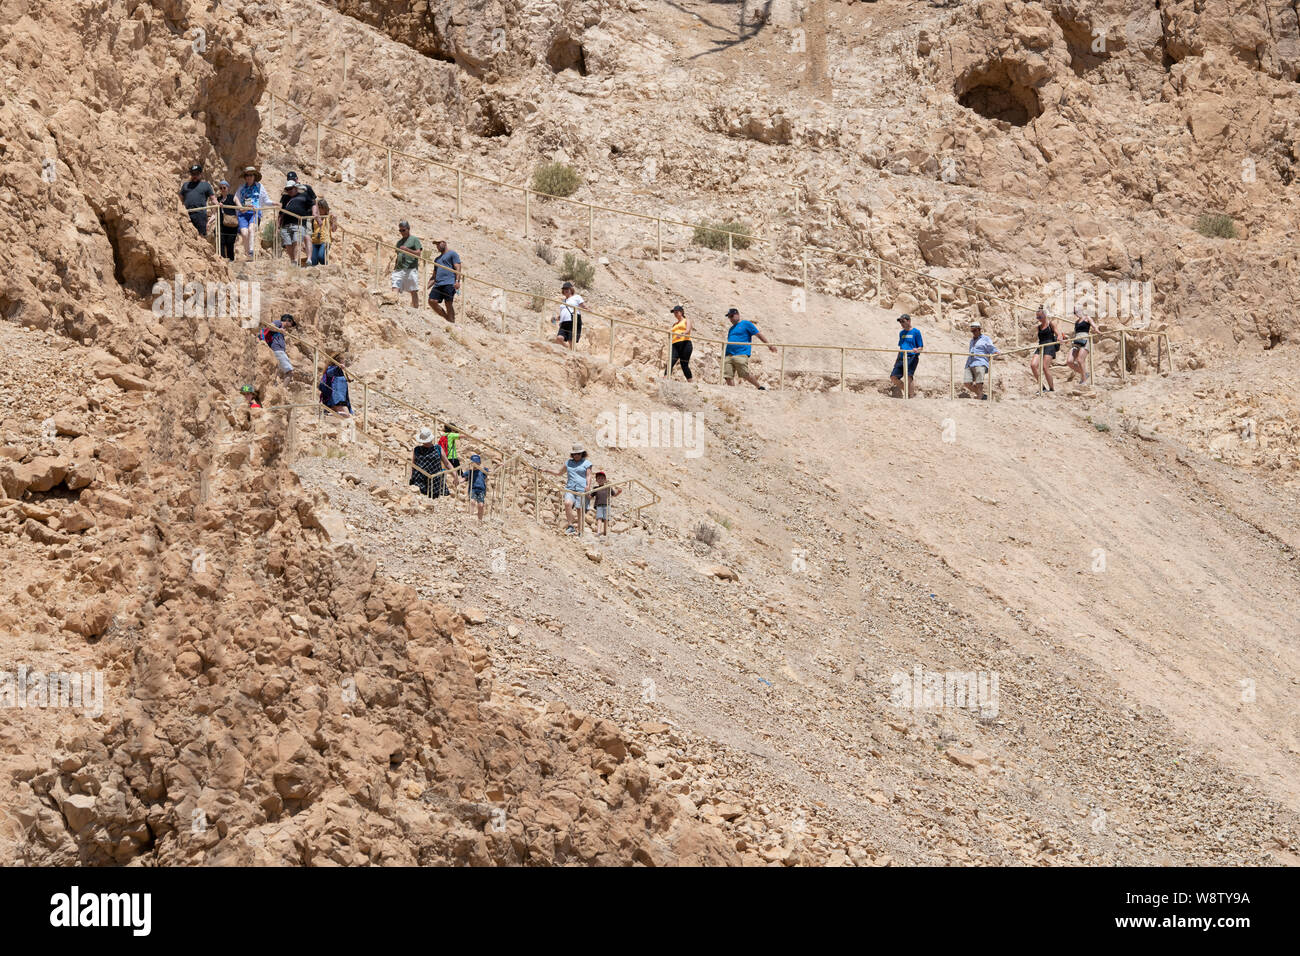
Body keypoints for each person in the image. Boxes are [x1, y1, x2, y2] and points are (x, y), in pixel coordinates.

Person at [722, 308, 776, 388]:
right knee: (727, 375)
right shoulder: (731, 329)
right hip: (729, 354)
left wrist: (769, 345)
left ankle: (759, 387)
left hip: (741, 353)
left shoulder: (746, 324)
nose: (730, 319)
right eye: (729, 317)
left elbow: (759, 335)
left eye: (732, 316)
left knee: (744, 373)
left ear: (738, 315)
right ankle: (732, 391)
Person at [550, 444, 593, 535]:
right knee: (567, 503)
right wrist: (546, 470)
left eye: (578, 454)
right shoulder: (568, 463)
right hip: (570, 487)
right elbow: (559, 473)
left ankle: (581, 530)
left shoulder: (587, 463)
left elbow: (589, 475)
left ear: (582, 454)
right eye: (574, 454)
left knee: (579, 509)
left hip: (581, 489)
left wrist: (588, 485)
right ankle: (570, 526)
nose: (576, 455)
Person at [235, 166, 271, 260]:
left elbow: (266, 200)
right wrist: (240, 207)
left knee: (251, 229)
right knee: (244, 233)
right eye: (247, 175)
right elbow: (236, 198)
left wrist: (274, 203)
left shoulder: (259, 187)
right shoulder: (242, 187)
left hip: (254, 212)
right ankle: (248, 254)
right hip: (243, 213)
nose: (249, 177)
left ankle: (251, 251)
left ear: (254, 176)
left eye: (251, 175)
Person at [278, 180, 315, 265]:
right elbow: (281, 212)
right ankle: (292, 261)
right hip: (286, 224)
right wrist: (278, 225)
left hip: (298, 223)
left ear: (295, 188)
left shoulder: (304, 195)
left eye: (290, 188)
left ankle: (295, 260)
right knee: (287, 244)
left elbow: (313, 204)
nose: (289, 190)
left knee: (296, 241)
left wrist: (314, 214)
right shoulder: (286, 198)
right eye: (287, 189)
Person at [1029, 306, 1063, 392]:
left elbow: (1058, 332)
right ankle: (1042, 387)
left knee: (1045, 367)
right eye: (1037, 317)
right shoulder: (1039, 327)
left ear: (1044, 315)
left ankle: (1051, 388)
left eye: (1040, 317)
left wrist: (1059, 337)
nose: (1038, 319)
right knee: (1033, 365)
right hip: (1041, 346)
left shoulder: (1050, 323)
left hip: (1049, 345)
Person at [962, 319, 999, 400]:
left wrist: (996, 352)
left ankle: (979, 398)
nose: (973, 332)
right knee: (967, 383)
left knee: (979, 382)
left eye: (975, 330)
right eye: (972, 331)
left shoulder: (985, 339)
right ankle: (981, 395)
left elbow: (991, 348)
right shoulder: (972, 341)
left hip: (980, 362)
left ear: (979, 330)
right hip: (970, 363)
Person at [427, 239, 462, 322]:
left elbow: (458, 267)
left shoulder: (452, 254)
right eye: (436, 244)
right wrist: (427, 286)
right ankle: (447, 318)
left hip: (449, 283)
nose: (437, 246)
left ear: (444, 243)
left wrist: (457, 281)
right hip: (438, 284)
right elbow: (434, 275)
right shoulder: (437, 259)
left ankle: (451, 321)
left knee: (448, 303)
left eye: (439, 243)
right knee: (431, 301)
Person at [890, 313, 924, 398]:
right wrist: (897, 360)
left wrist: (917, 350)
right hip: (901, 357)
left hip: (912, 356)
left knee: (908, 376)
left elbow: (921, 347)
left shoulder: (916, 332)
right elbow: (901, 346)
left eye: (903, 321)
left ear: (909, 321)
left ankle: (911, 396)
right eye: (900, 322)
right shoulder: (901, 333)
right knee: (893, 377)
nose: (901, 323)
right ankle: (908, 391)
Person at [411, 427, 451, 498]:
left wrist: (455, 475)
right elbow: (413, 465)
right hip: (427, 481)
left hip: (428, 481)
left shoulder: (437, 448)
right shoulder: (418, 449)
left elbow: (447, 463)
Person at [1065, 306, 1101, 385]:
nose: (1076, 314)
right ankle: (1085, 374)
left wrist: (1097, 330)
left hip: (1085, 339)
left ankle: (1084, 380)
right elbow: (1076, 332)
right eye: (1074, 312)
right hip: (1077, 340)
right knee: (1069, 361)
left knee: (1080, 360)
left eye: (1076, 311)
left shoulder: (1087, 318)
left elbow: (1094, 326)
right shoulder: (1076, 322)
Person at [391, 221, 422, 307]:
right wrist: (395, 267)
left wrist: (407, 250)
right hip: (399, 268)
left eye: (403, 230)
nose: (402, 232)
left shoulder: (414, 240)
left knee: (413, 290)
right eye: (400, 230)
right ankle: (394, 305)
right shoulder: (399, 242)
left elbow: (418, 253)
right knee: (395, 285)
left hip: (410, 268)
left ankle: (416, 309)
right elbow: (398, 255)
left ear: (408, 229)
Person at [179, 164, 214, 237]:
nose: (195, 176)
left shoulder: (206, 185)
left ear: (200, 174)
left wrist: (218, 205)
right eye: (193, 173)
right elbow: (180, 200)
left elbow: (213, 199)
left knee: (201, 237)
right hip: (187, 214)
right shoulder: (185, 185)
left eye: (197, 174)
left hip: (200, 214)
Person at [209, 180, 239, 260]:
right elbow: (215, 213)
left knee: (230, 243)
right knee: (221, 242)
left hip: (232, 224)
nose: (222, 189)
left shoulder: (233, 198)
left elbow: (239, 207)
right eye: (221, 188)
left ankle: (231, 260)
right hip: (221, 225)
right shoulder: (218, 199)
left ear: (228, 188)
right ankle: (223, 260)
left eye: (224, 187)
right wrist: (209, 222)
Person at [590, 470, 622, 535]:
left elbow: (614, 495)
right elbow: (591, 497)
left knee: (606, 519)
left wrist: (618, 492)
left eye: (602, 478)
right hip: (599, 505)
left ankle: (605, 532)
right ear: (596, 480)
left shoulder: (608, 487)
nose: (600, 480)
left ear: (605, 480)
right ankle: (598, 532)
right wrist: (587, 492)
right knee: (599, 518)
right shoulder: (595, 488)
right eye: (598, 478)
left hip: (607, 505)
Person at [666, 305, 693, 381]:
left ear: (681, 312)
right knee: (671, 362)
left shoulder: (686, 320)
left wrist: (682, 333)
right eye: (674, 312)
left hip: (685, 343)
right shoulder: (674, 324)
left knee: (684, 364)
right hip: (675, 344)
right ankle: (665, 379)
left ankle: (691, 382)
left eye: (676, 312)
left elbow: (688, 330)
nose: (675, 314)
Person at [552, 281, 584, 345]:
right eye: (564, 289)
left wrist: (589, 310)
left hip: (573, 320)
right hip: (563, 322)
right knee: (559, 338)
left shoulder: (576, 297)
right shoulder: (564, 301)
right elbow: (563, 313)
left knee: (571, 341)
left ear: (571, 289)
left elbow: (583, 306)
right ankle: (565, 350)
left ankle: (572, 353)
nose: (565, 290)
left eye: (567, 289)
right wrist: (556, 319)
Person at [460, 453, 489, 521]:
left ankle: (480, 520)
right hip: (473, 489)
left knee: (481, 505)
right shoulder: (470, 472)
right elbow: (464, 478)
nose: (475, 465)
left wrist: (497, 466)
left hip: (481, 490)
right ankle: (470, 517)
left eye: (477, 463)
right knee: (472, 501)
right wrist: (459, 481)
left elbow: (491, 471)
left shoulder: (483, 470)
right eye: (474, 463)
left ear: (479, 463)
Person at [309, 199, 338, 266]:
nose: (320, 209)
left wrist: (334, 221)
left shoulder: (329, 217)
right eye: (319, 208)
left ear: (325, 208)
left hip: (325, 240)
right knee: (313, 261)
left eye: (322, 208)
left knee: (321, 256)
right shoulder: (315, 217)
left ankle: (326, 269)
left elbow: (333, 229)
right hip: (314, 241)